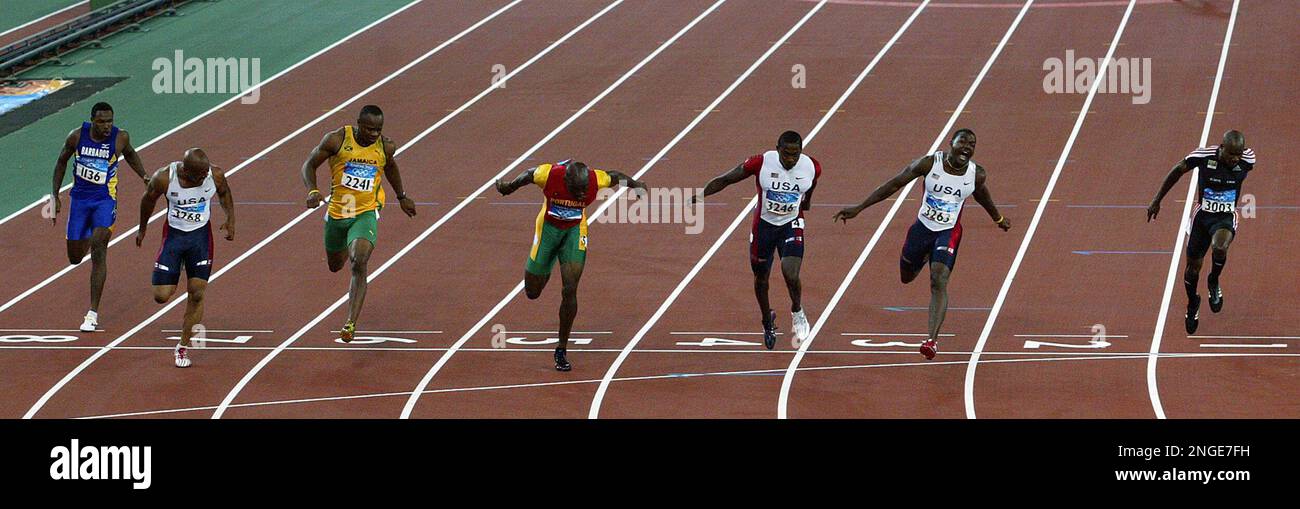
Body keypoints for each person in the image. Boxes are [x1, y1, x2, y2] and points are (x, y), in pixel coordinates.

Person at [834, 128, 1010, 359]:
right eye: (963, 141)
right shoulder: (928, 164)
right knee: (906, 277)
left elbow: (982, 195)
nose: (967, 147)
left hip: (948, 233)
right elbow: (894, 184)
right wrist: (859, 207)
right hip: (922, 230)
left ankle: (932, 341)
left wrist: (997, 218)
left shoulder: (977, 174)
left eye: (972, 144)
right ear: (951, 143)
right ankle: (924, 255)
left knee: (938, 279)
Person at [495, 159, 645, 371]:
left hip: (575, 232)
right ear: (566, 181)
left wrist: (637, 184)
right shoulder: (549, 175)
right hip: (548, 230)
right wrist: (509, 187)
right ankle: (547, 264)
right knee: (532, 291)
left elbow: (616, 174)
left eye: (585, 190)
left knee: (570, 288)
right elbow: (528, 174)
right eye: (577, 190)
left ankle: (561, 349)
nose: (583, 195)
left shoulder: (595, 179)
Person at [694, 130, 821, 349]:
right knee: (761, 278)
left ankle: (797, 310)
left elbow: (811, 185)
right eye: (786, 154)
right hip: (764, 226)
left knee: (790, 273)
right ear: (777, 149)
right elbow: (726, 179)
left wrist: (807, 203)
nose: (791, 159)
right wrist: (700, 195)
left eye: (796, 154)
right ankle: (766, 320)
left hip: (791, 224)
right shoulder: (762, 162)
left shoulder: (812, 166)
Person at [301, 105, 417, 342]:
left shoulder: (385, 146)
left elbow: (390, 166)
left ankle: (350, 323)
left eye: (378, 130)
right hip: (338, 212)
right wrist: (313, 190)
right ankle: (346, 244)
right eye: (369, 129)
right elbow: (309, 165)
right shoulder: (336, 140)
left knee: (359, 260)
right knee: (335, 266)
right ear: (358, 124)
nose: (374, 134)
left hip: (365, 212)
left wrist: (402, 196)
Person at [51, 102, 149, 332]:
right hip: (80, 201)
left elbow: (131, 155)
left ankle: (92, 313)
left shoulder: (120, 138)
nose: (107, 126)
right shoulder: (76, 137)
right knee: (75, 258)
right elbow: (61, 161)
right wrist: (55, 195)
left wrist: (144, 176)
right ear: (92, 121)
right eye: (102, 122)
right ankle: (86, 234)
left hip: (105, 200)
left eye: (110, 121)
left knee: (99, 246)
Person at [1147, 130, 1255, 334]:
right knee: (1192, 270)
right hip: (1202, 217)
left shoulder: (1248, 159)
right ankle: (1192, 303)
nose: (1235, 159)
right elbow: (1177, 171)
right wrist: (1157, 199)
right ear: (1221, 148)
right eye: (1231, 154)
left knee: (1220, 246)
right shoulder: (1203, 156)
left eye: (1238, 154)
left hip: (1225, 216)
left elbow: (1245, 158)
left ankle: (1213, 280)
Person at [137, 148, 234, 367]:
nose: (203, 178)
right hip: (174, 238)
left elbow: (225, 192)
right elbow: (148, 201)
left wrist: (230, 220)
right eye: (199, 175)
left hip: (200, 239)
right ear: (186, 171)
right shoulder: (164, 177)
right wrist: (142, 229)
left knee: (197, 293)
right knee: (161, 296)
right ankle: (176, 267)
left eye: (205, 174)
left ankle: (182, 346)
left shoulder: (214, 175)